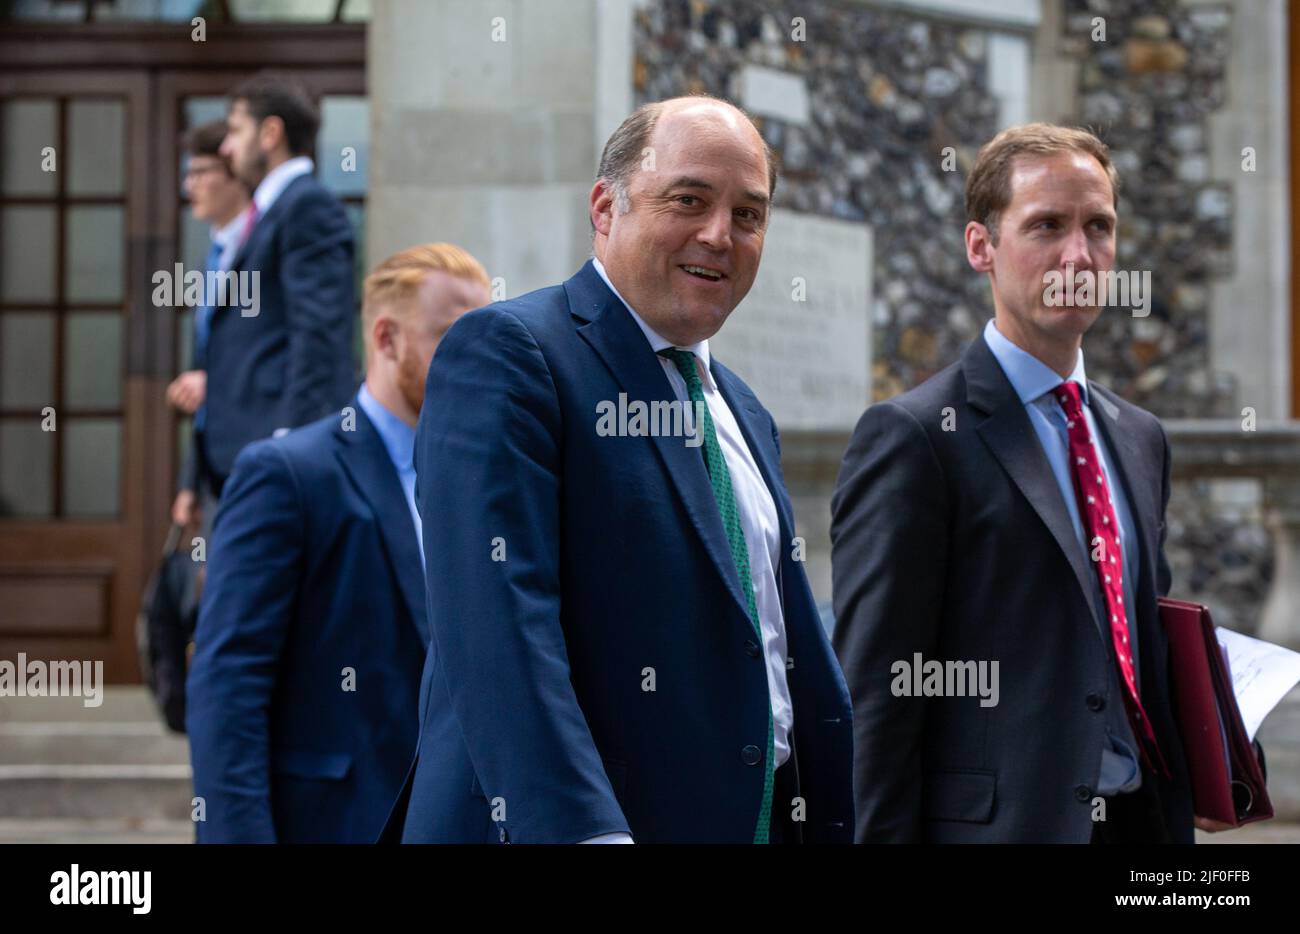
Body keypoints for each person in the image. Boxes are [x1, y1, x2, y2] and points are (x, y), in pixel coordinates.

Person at [384, 96, 853, 844]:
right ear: (606, 207)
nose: (719, 235)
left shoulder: (743, 410)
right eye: (688, 200)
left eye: (749, 214)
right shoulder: (510, 353)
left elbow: (772, 644)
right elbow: (499, 626)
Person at [830, 123, 1216, 843]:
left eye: (1098, 227)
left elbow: (1138, 648)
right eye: (1046, 225)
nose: (1078, 254)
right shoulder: (914, 438)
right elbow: (878, 698)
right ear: (982, 247)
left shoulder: (1138, 438)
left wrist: (1215, 752)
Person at [186, 243, 490, 843]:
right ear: (385, 338)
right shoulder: (287, 473)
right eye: (453, 340)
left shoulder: (485, 482)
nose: (475, 365)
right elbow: (229, 684)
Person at [202, 71, 355, 496]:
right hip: (251, 450)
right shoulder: (270, 212)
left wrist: (295, 440)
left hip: (280, 450)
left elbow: (319, 333)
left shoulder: (307, 206)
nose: (226, 147)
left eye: (235, 130)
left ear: (270, 133)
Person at [168, 120, 253, 527]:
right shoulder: (213, 258)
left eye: (201, 172)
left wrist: (213, 385)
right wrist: (190, 480)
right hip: (215, 468)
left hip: (256, 455)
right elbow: (204, 367)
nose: (190, 186)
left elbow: (276, 359)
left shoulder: (260, 249)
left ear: (234, 173)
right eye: (188, 173)